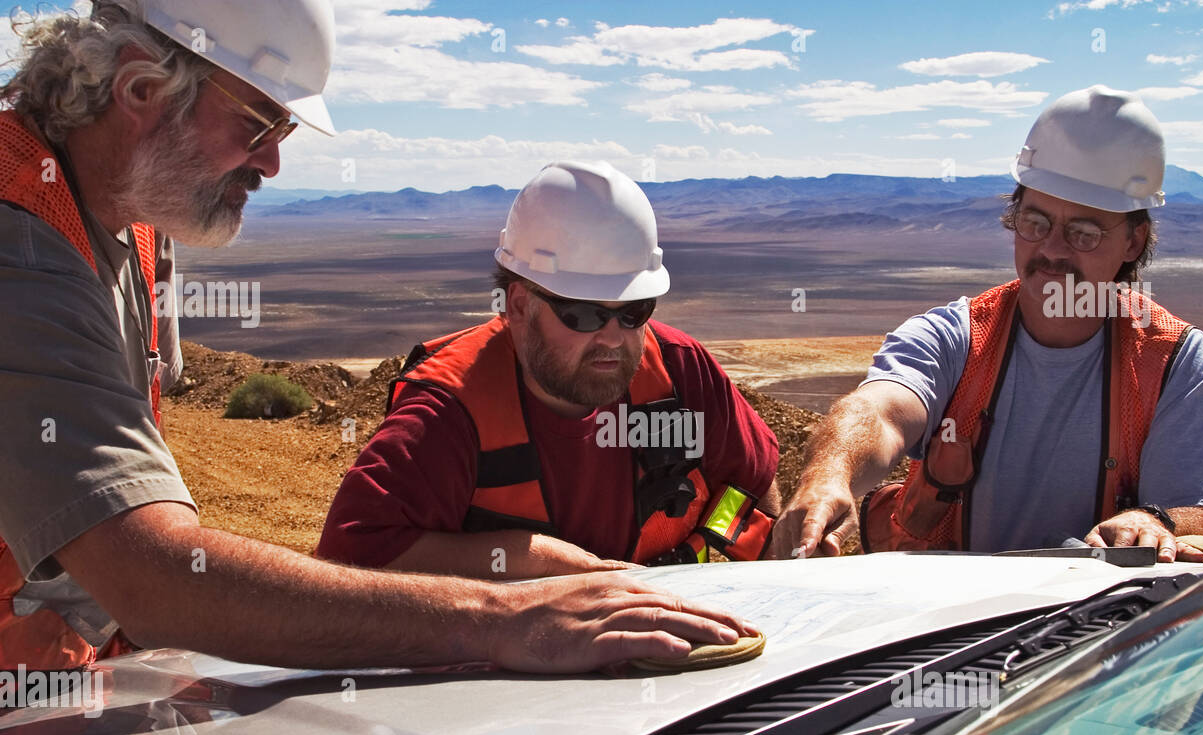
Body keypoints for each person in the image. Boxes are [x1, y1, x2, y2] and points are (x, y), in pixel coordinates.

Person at [0, 0, 758, 674]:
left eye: (284, 129)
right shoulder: (21, 254)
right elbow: (152, 577)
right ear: (139, 90)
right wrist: (505, 618)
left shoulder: (125, 221)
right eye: (259, 123)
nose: (271, 160)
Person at [773, 86, 1203, 563]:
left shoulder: (1178, 363)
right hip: (949, 624)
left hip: (1100, 628)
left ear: (1134, 242)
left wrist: (1155, 521)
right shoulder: (956, 336)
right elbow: (878, 412)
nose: (1053, 250)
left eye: (1083, 232)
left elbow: (1199, 513)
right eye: (1035, 222)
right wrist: (828, 474)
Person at [316, 160, 781, 578]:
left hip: (678, 652)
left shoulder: (678, 370)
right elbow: (344, 566)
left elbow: (755, 485)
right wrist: (525, 562)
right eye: (583, 314)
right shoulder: (448, 412)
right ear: (518, 305)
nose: (614, 337)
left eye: (634, 311)